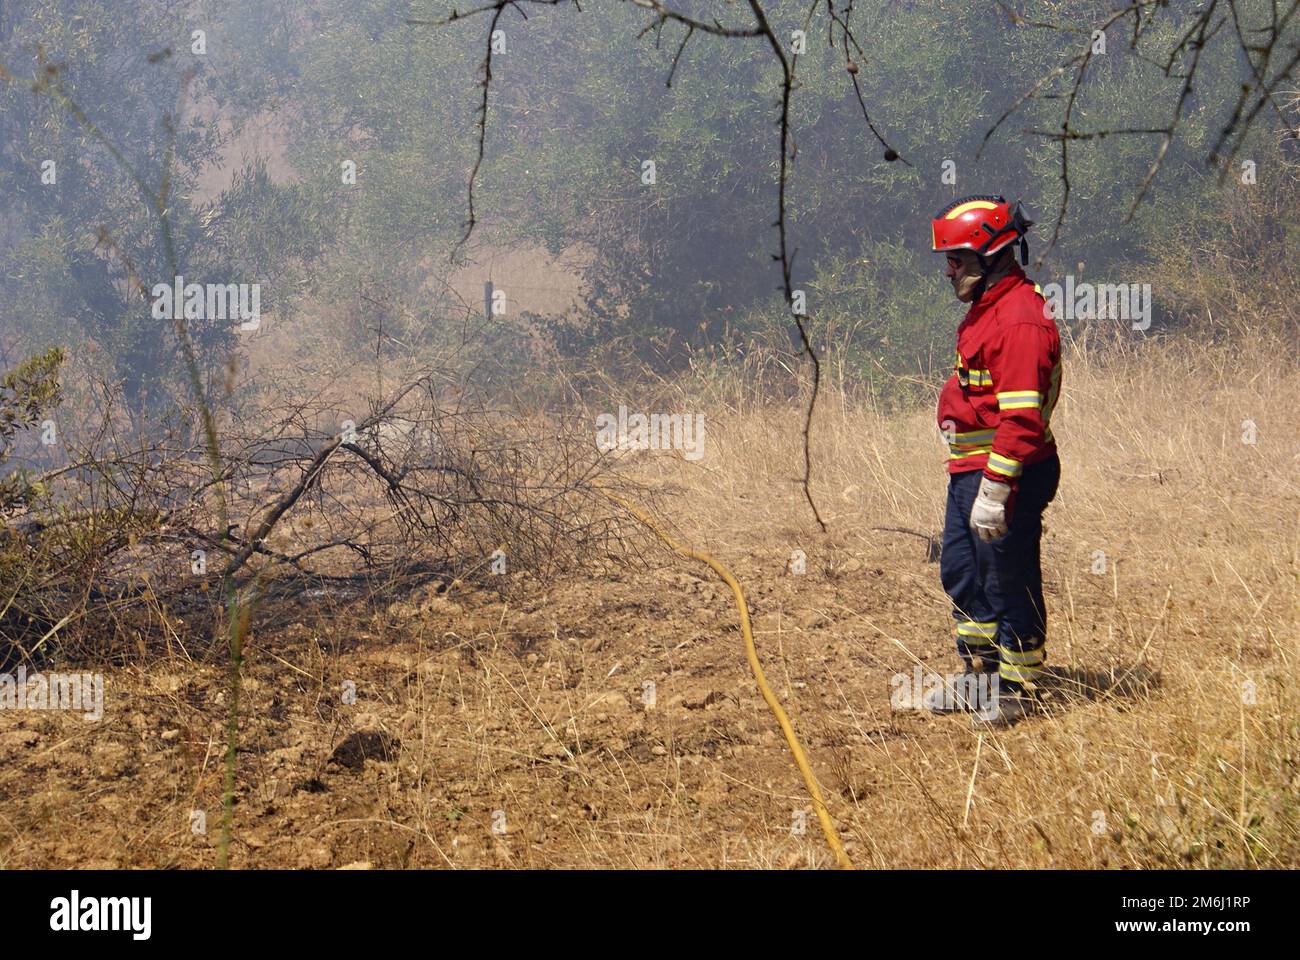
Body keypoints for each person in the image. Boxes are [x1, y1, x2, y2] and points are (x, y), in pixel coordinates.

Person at [927, 195, 1063, 726]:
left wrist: (995, 491)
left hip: (1007, 474)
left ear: (992, 256)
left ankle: (1017, 689)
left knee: (1009, 576)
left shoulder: (1019, 320)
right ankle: (979, 675)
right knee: (963, 570)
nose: (948, 270)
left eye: (956, 259)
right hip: (972, 470)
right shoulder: (990, 308)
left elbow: (1022, 420)